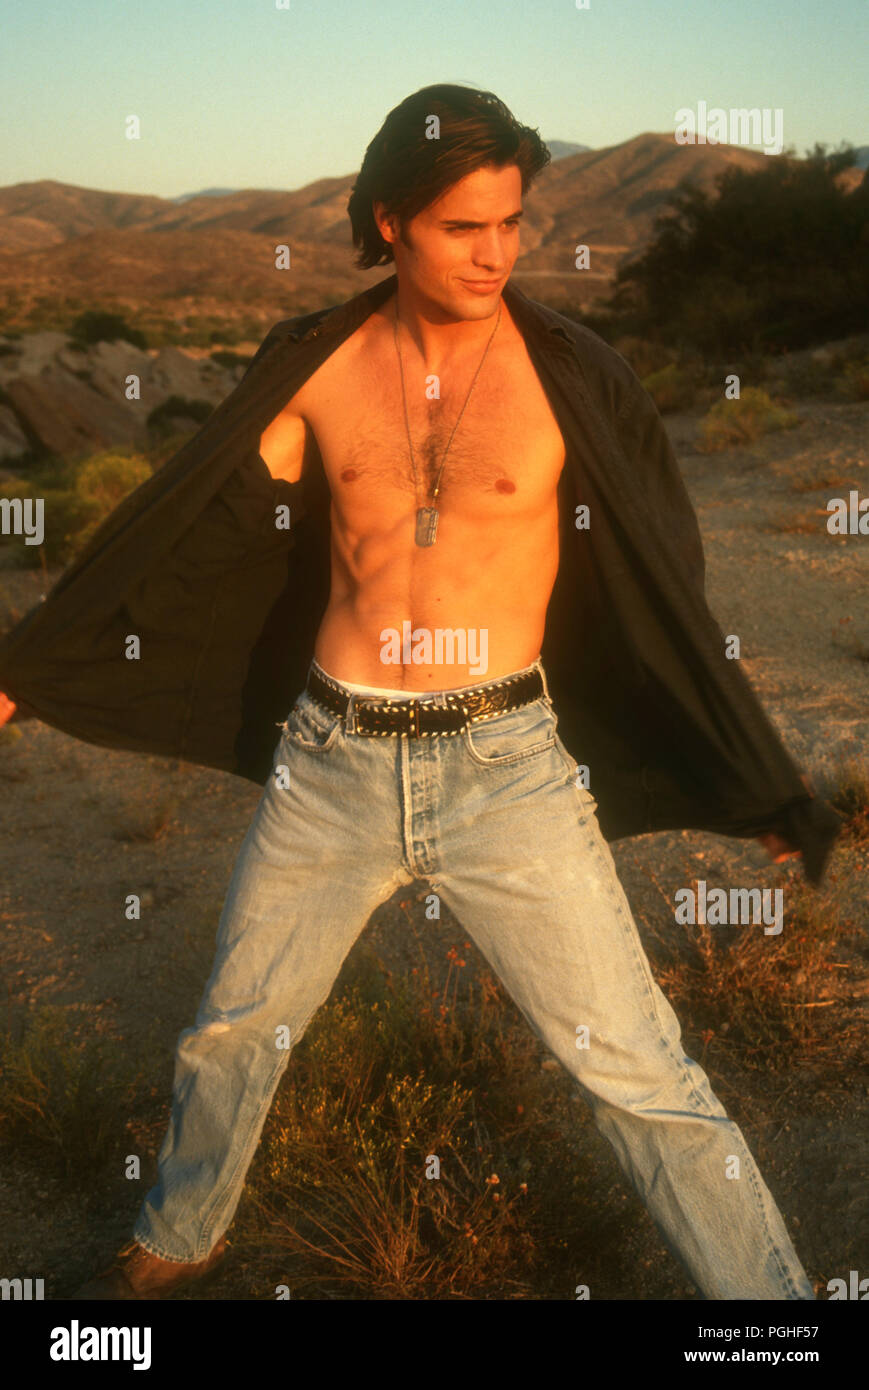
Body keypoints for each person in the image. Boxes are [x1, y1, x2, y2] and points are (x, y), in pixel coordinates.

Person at [1, 85, 825, 1301]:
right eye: (462, 229)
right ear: (390, 221)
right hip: (328, 764)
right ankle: (170, 1244)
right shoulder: (314, 366)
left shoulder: (573, 379)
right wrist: (30, 671)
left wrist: (744, 766)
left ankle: (772, 1311)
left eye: (513, 224)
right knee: (231, 1031)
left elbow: (663, 587)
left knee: (640, 1074)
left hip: (509, 769)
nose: (496, 253)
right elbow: (179, 528)